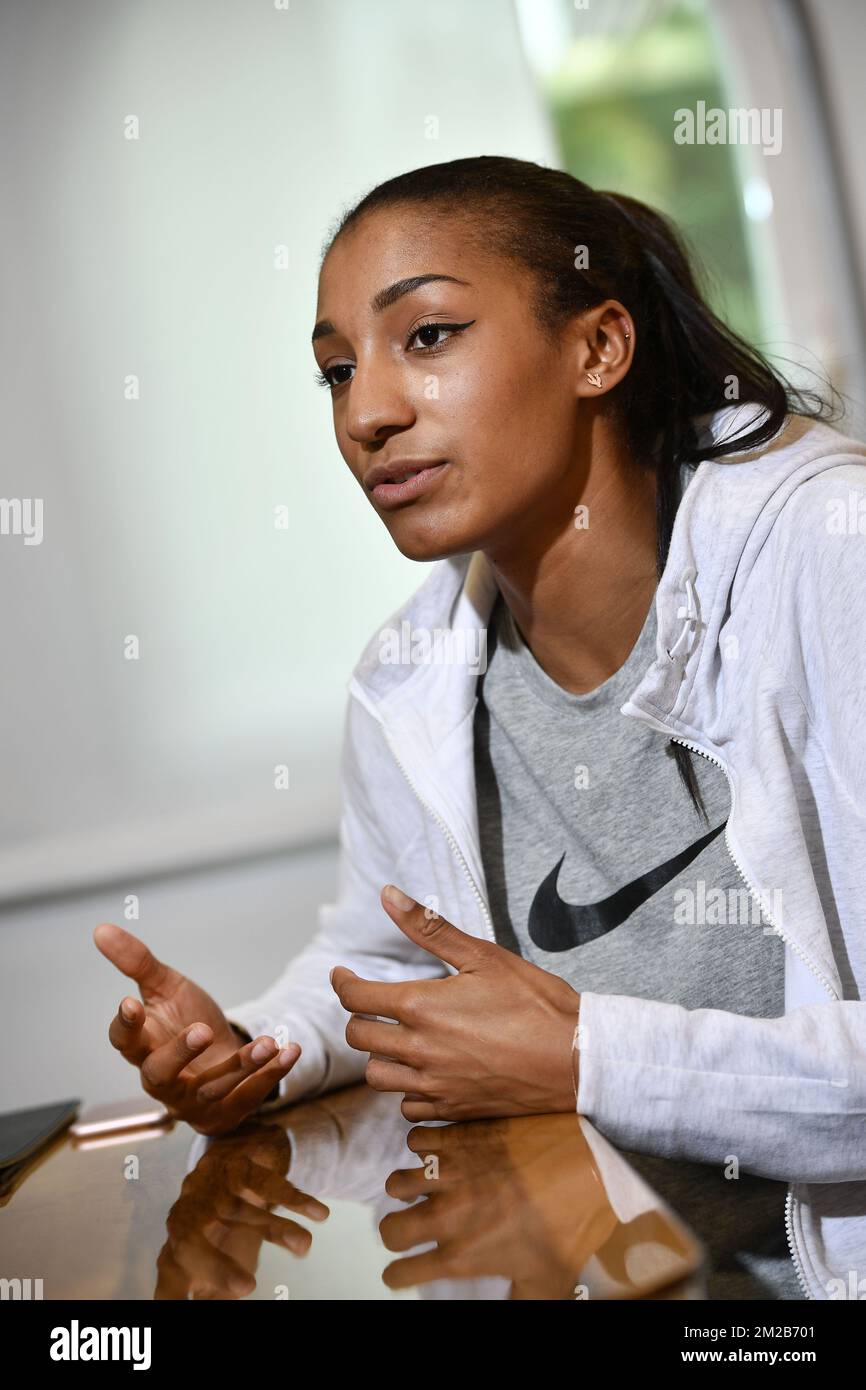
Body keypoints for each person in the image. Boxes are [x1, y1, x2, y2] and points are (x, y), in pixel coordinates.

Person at [94, 156, 866, 1299]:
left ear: (597, 348)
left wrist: (586, 1055)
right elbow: (389, 954)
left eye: (430, 336)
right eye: (336, 372)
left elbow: (553, 1050)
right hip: (631, 1274)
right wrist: (264, 1051)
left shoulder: (826, 552)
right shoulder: (410, 674)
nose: (367, 413)